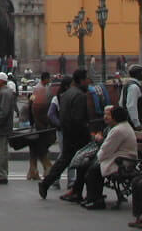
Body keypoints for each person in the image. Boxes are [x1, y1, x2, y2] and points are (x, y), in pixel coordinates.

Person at [39, 69, 91, 199]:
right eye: (87, 79)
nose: (88, 82)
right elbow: (79, 119)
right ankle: (78, 190)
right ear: (81, 80)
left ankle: (46, 183)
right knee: (83, 162)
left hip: (67, 132)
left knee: (64, 161)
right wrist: (87, 133)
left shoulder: (66, 94)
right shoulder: (80, 96)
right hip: (77, 135)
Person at [81, 105, 139, 209]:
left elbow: (106, 149)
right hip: (122, 159)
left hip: (121, 162)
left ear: (115, 117)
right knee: (91, 168)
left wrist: (98, 158)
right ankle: (92, 197)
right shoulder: (124, 126)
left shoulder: (117, 130)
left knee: (93, 170)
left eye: (110, 115)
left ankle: (96, 200)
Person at [28, 71, 55, 181]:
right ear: (46, 79)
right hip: (42, 123)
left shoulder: (35, 89)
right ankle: (46, 169)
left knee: (34, 147)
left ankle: (33, 170)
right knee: (41, 147)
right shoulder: (45, 90)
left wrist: (31, 120)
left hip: (35, 121)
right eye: (49, 78)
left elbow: (30, 102)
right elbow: (46, 107)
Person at [121, 64, 142, 129]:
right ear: (137, 74)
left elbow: (121, 103)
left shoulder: (127, 85)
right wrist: (136, 124)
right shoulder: (134, 87)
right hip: (131, 124)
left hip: (126, 122)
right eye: (141, 73)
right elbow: (131, 106)